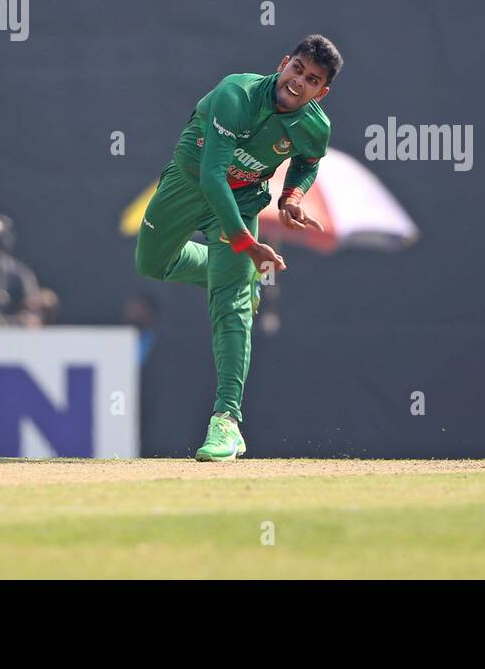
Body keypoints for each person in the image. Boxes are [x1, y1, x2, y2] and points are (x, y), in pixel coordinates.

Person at [135, 35, 342, 461]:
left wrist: (291, 198)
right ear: (283, 63)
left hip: (244, 198)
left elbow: (308, 161)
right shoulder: (237, 94)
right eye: (297, 69)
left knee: (230, 304)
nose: (298, 82)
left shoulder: (315, 126)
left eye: (311, 80)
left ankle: (226, 422)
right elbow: (213, 176)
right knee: (153, 263)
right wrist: (248, 247)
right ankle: (238, 272)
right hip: (189, 183)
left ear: (322, 92)